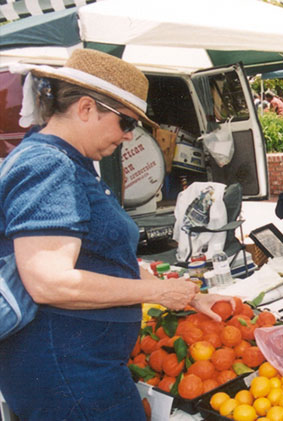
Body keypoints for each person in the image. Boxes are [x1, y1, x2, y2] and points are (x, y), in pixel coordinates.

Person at [0, 49, 231, 420]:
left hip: (84, 368)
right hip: (70, 376)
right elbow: (49, 282)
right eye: (126, 123)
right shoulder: (49, 165)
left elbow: (107, 258)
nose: (128, 137)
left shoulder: (70, 161)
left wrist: (185, 296)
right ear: (87, 108)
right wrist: (158, 291)